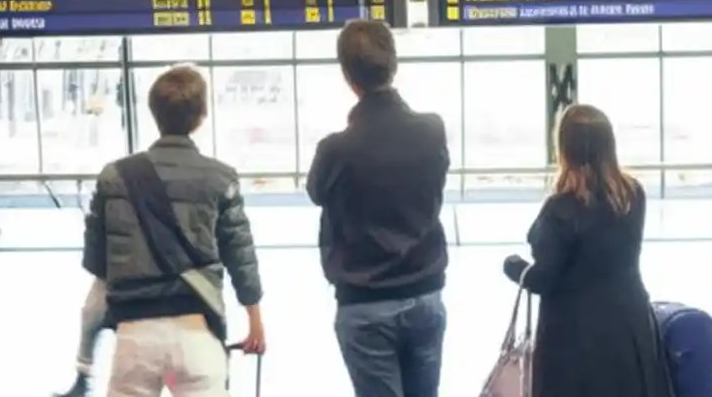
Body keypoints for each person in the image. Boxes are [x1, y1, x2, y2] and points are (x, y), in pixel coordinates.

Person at [82, 65, 264, 397]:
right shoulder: (221, 178)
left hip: (134, 337)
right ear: (201, 116)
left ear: (154, 113)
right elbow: (241, 254)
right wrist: (255, 319)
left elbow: (96, 263)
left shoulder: (114, 177)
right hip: (198, 333)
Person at [307, 20, 449, 397]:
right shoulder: (432, 131)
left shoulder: (335, 150)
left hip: (364, 303)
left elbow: (316, 193)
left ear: (347, 76)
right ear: (394, 64)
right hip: (425, 295)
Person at [502, 104, 674, 397]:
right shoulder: (633, 195)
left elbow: (543, 279)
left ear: (564, 148)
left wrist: (513, 266)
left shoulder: (562, 209)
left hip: (574, 338)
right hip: (630, 326)